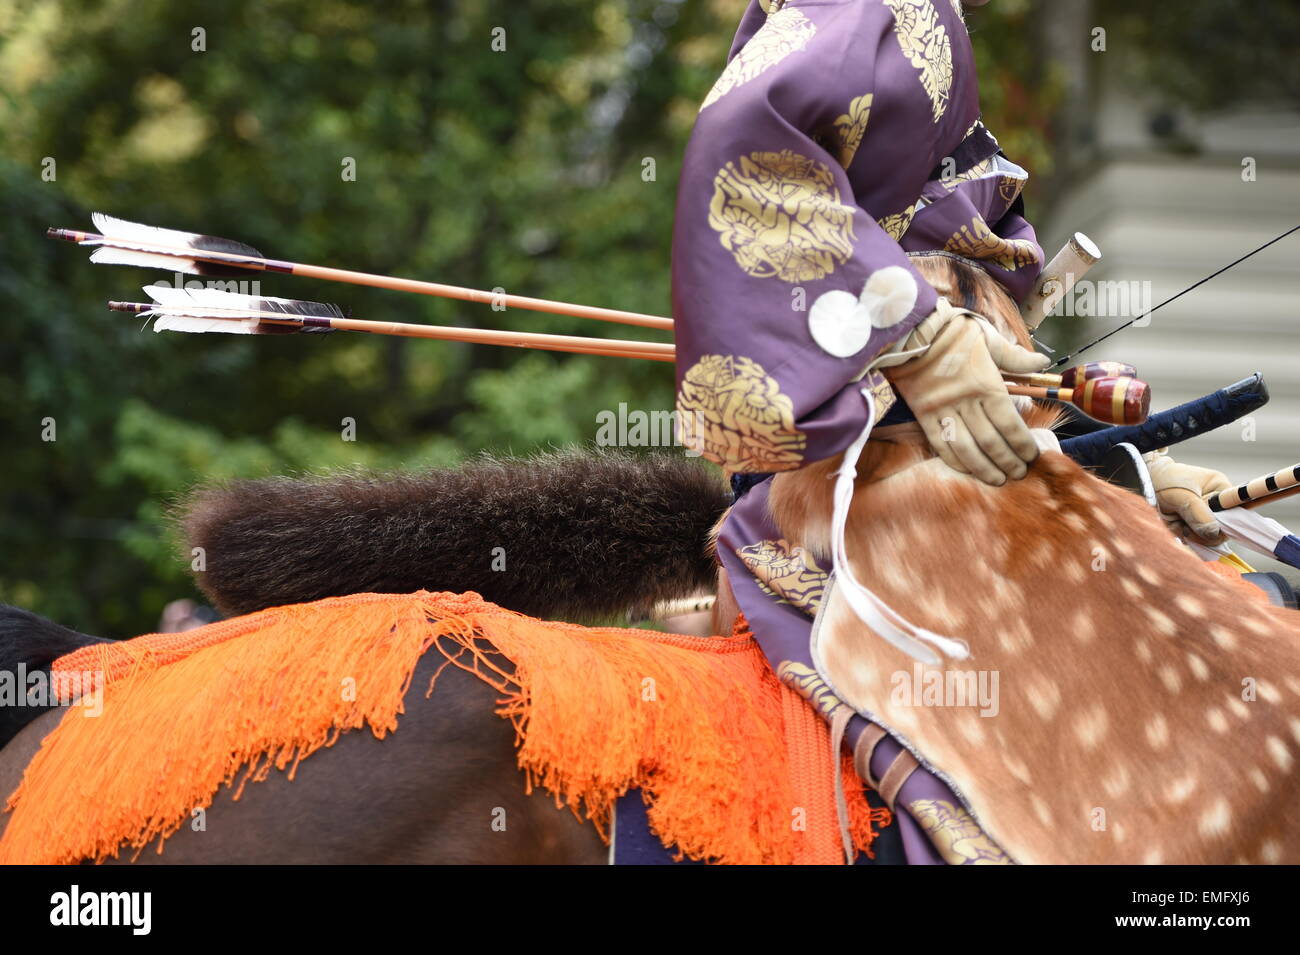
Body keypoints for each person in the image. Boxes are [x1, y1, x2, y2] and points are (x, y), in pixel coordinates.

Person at [671, 0, 1231, 864]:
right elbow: (745, 149)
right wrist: (914, 335)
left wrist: (1133, 474)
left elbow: (980, 305)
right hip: (885, 486)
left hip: (962, 468)